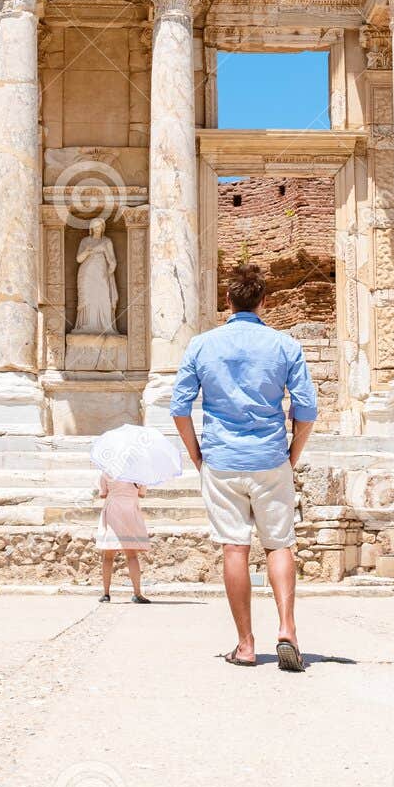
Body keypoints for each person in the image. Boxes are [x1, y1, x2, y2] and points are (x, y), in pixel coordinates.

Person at [171, 262, 318, 672]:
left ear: (227, 301)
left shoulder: (201, 345)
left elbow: (179, 408)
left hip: (221, 458)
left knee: (234, 548)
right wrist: (293, 454)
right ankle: (287, 628)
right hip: (271, 457)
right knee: (279, 544)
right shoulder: (286, 345)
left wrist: (197, 454)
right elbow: (306, 410)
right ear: (265, 301)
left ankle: (246, 644)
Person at [96, 475, 151, 603]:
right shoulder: (139, 473)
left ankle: (106, 594)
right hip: (130, 511)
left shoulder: (107, 471)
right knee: (132, 554)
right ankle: (137, 593)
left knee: (108, 554)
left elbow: (102, 494)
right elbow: (142, 494)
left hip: (113, 510)